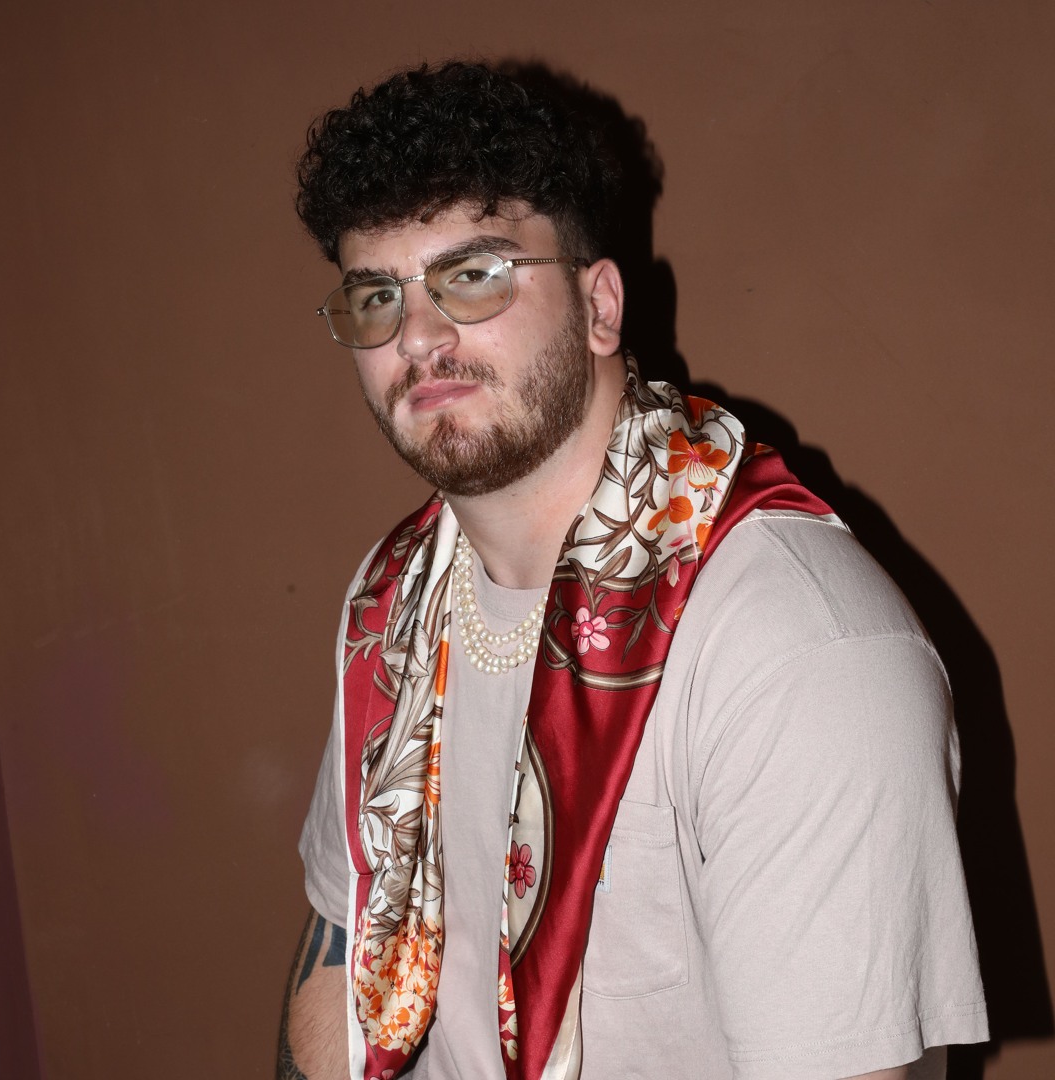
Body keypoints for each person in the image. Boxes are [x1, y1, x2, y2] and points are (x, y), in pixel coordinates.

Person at [278, 61, 988, 1080]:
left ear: (599, 305)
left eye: (472, 276)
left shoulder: (796, 651)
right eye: (377, 296)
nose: (419, 337)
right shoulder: (393, 597)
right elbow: (343, 950)